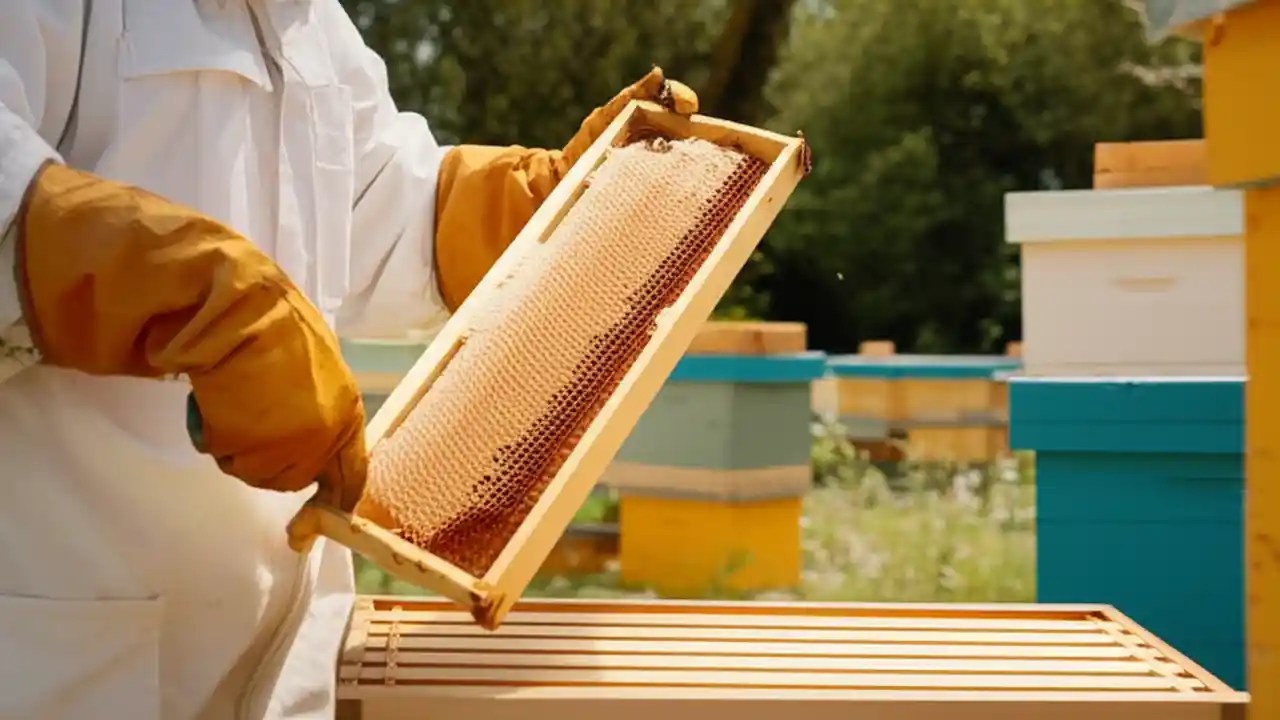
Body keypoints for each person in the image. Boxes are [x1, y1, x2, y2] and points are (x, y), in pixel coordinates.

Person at [0, 2, 697, 718]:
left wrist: (512, 210)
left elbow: (373, 206)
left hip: (284, 654)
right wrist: (164, 285)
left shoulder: (310, 23)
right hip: (65, 662)